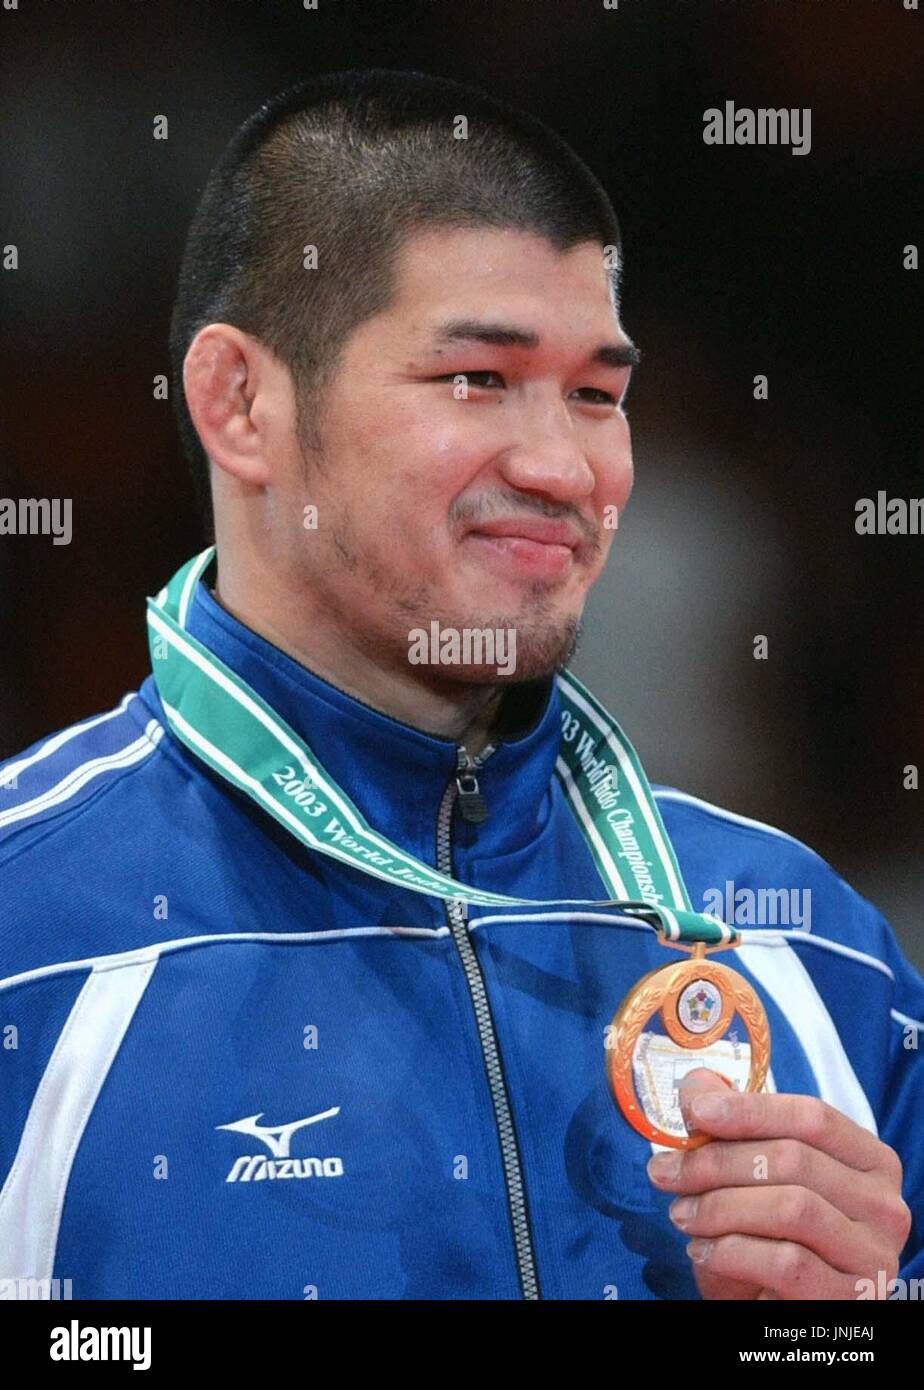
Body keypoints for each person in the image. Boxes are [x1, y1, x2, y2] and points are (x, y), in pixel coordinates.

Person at [0, 68, 919, 1302]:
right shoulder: (29, 930)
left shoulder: (813, 951)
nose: (561, 466)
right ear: (241, 402)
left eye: (598, 394)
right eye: (476, 379)